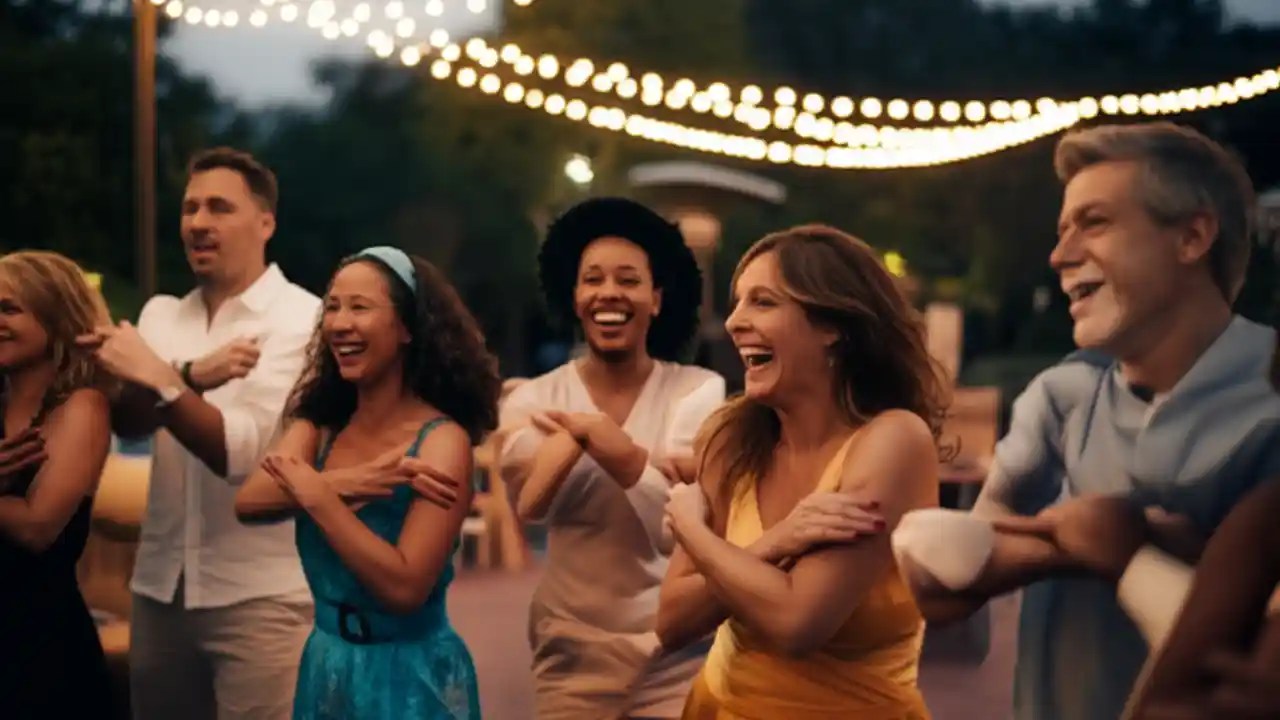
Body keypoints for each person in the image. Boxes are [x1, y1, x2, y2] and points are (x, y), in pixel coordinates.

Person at [894, 122, 1280, 720]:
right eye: (1062, 230)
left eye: (1094, 222)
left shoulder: (1268, 404)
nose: (1060, 255)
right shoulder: (1063, 395)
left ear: (1192, 236)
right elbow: (944, 589)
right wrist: (1089, 542)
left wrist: (1100, 544)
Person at [660, 224, 947, 719]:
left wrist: (690, 527)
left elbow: (797, 622)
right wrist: (779, 542)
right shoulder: (730, 438)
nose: (733, 322)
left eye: (763, 302)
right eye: (737, 302)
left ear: (832, 324)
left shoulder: (894, 440)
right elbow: (671, 621)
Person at [79, 147, 321, 719]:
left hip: (262, 596)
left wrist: (163, 379)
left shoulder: (301, 319)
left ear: (266, 222)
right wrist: (189, 376)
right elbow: (129, 422)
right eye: (190, 209)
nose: (198, 223)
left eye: (219, 208)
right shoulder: (163, 315)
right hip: (160, 585)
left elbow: (240, 455)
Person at [236, 246, 499, 719]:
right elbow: (250, 501)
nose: (339, 324)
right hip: (327, 666)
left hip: (413, 676)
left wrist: (317, 494)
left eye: (360, 307)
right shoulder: (318, 427)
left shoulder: (442, 441)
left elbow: (404, 588)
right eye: (332, 307)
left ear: (406, 329)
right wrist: (344, 483)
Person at [496, 197, 726, 719]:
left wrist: (612, 447)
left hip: (679, 649)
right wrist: (624, 456)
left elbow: (679, 530)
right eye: (592, 279)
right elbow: (534, 507)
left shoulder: (698, 390)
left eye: (628, 280)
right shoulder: (534, 398)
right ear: (573, 296)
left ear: (657, 299)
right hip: (571, 649)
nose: (609, 293)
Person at [0, 251, 117, 718]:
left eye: (9, 309)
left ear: (56, 316)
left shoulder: (82, 407)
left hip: (38, 645)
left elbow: (37, 527)